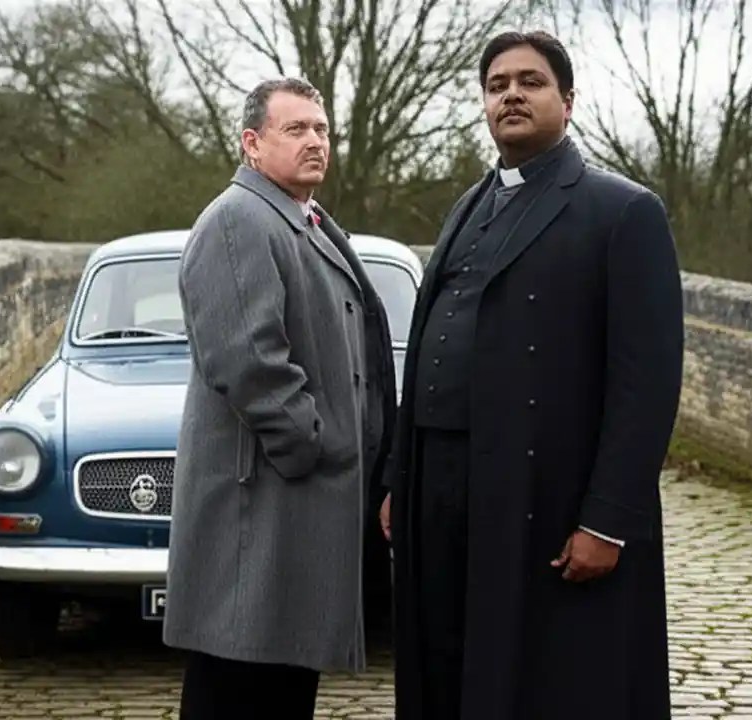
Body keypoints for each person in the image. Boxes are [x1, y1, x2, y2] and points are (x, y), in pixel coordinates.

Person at [379, 30, 684, 720]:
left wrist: (609, 521)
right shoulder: (467, 206)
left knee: (545, 684)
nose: (510, 94)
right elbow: (427, 346)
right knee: (447, 664)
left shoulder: (623, 212)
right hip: (442, 487)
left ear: (567, 101)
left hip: (544, 493)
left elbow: (648, 383)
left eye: (530, 82)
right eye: (497, 86)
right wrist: (401, 477)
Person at [163, 76, 398, 719]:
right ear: (252, 143)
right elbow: (250, 362)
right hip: (261, 503)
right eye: (295, 129)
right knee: (238, 680)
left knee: (281, 684)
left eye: (321, 129)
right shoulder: (238, 220)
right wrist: (311, 445)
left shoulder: (301, 218)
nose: (315, 141)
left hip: (289, 507)